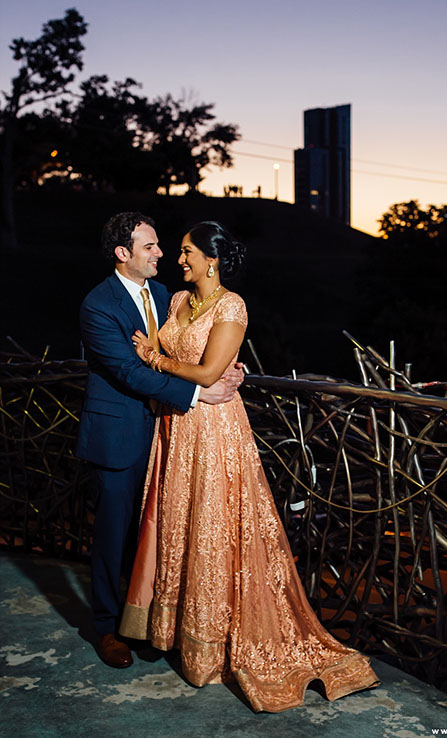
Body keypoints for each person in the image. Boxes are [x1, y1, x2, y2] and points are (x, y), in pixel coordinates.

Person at [119, 220, 379, 712]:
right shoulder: (175, 301)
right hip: (177, 427)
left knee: (216, 527)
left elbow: (208, 372)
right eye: (179, 252)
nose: (180, 259)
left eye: (188, 252)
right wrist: (158, 356)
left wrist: (154, 360)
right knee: (181, 524)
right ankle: (179, 635)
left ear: (211, 260)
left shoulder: (232, 305)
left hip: (216, 431)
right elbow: (169, 352)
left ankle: (216, 643)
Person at [77, 212, 243, 670]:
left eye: (160, 246)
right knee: (114, 533)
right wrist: (198, 390)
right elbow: (128, 371)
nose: (161, 254)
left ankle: (147, 624)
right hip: (119, 434)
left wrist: (229, 368)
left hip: (171, 434)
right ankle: (108, 629)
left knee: (156, 534)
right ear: (122, 254)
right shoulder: (99, 304)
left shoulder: (169, 296)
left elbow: (191, 348)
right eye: (149, 247)